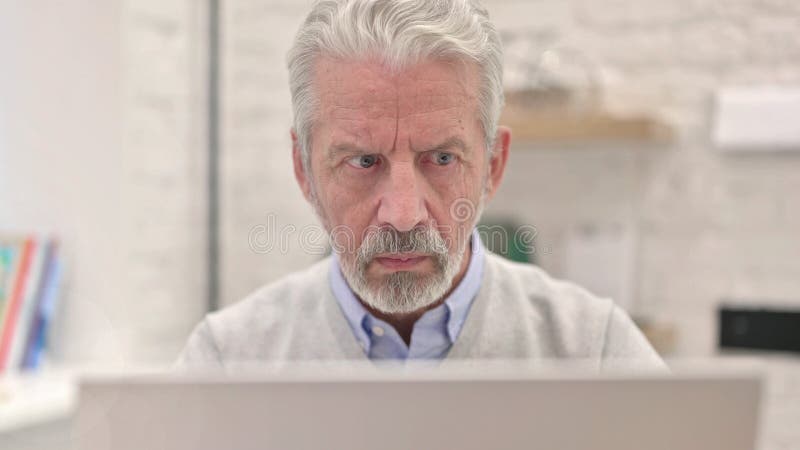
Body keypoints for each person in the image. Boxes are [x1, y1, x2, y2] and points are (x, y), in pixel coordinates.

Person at [177, 0, 664, 370]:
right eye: (364, 160)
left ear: (493, 165)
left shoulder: (596, 354)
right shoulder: (226, 362)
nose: (404, 214)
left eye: (442, 159)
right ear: (304, 170)